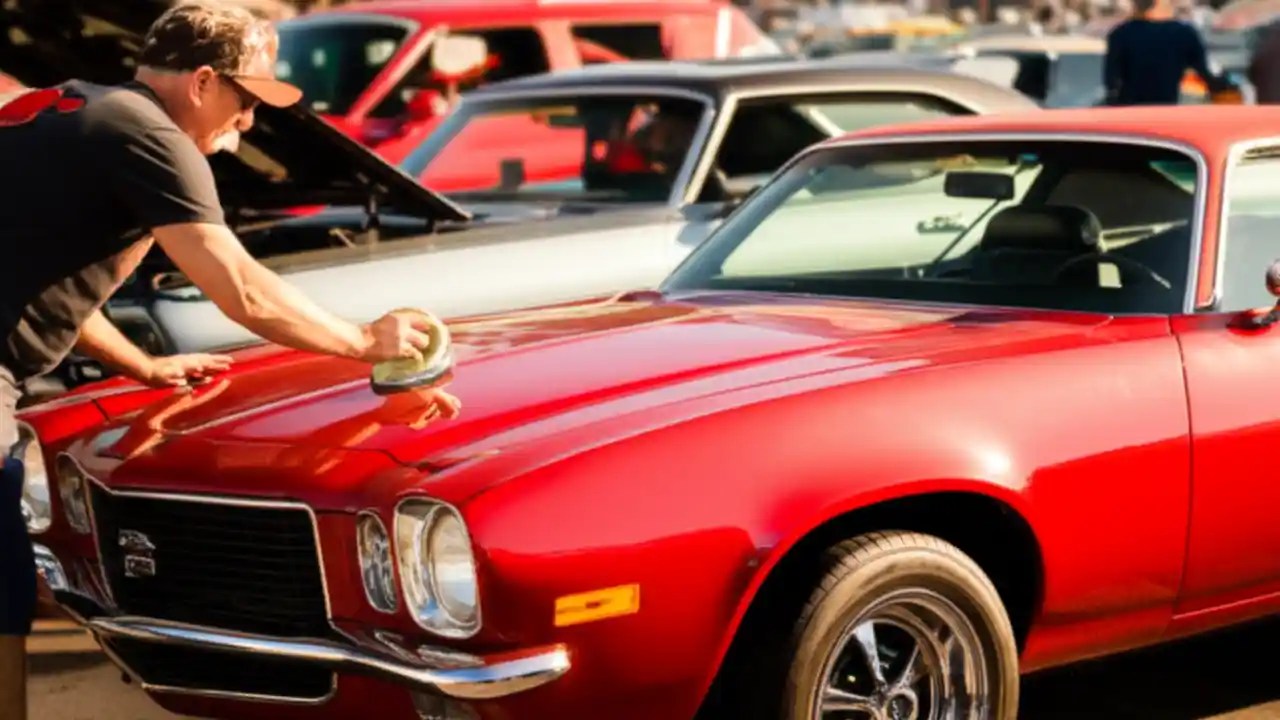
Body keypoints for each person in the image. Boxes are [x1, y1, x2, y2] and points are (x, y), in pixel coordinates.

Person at [0, 3, 459, 718]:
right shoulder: (151, 134)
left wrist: (142, 368)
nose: (246, 125)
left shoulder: (83, 108)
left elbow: (45, 282)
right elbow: (241, 291)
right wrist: (365, 342)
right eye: (244, 102)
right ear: (204, 82)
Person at [1103, 0, 1219, 105]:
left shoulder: (1120, 34)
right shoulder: (1184, 33)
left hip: (1130, 111)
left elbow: (1111, 81)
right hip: (1167, 109)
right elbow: (1206, 73)